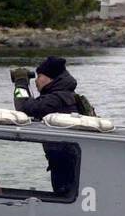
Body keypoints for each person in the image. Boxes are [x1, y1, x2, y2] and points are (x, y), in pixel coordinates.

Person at [11, 56, 83, 195]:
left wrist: (21, 83)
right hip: (69, 163)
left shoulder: (56, 100)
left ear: (50, 78)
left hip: (65, 165)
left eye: (39, 76)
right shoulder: (66, 96)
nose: (36, 81)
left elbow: (23, 108)